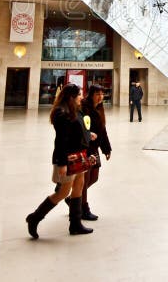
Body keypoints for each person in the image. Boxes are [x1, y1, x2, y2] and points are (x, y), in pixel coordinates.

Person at [26, 84, 95, 238]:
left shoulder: (75, 109)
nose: (81, 97)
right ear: (71, 96)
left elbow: (78, 129)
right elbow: (61, 140)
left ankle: (75, 224)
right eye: (79, 95)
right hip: (68, 157)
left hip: (79, 155)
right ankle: (35, 218)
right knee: (63, 192)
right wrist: (62, 163)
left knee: (79, 186)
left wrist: (89, 135)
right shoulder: (61, 112)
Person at [80, 85, 111, 221]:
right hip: (85, 147)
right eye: (98, 94)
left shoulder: (99, 108)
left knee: (94, 178)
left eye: (102, 94)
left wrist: (106, 149)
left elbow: (102, 130)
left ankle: (74, 198)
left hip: (95, 148)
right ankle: (83, 208)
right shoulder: (84, 107)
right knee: (85, 179)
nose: (100, 97)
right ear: (91, 94)